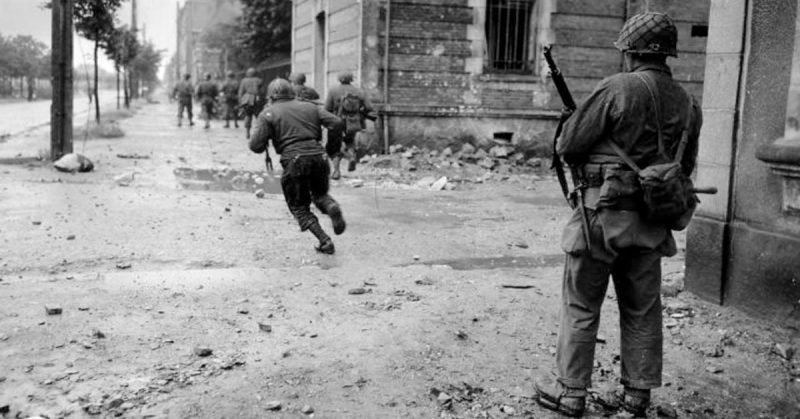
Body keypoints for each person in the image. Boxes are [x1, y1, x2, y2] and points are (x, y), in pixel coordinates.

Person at [534, 12, 702, 418]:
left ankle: (571, 394)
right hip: (651, 221)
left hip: (601, 219)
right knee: (643, 308)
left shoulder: (617, 88)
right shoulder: (688, 103)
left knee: (581, 304)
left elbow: (569, 146)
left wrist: (576, 123)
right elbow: (685, 166)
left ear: (628, 52)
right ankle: (637, 397)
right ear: (668, 56)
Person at [249, 78, 346, 254]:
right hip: (319, 157)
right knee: (320, 194)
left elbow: (255, 146)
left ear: (271, 96)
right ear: (292, 92)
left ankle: (325, 241)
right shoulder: (311, 107)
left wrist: (268, 135)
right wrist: (332, 149)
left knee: (299, 206)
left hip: (295, 161)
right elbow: (337, 123)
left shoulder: (268, 113)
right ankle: (332, 207)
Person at [323, 71, 376, 180]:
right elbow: (369, 108)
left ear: (339, 79)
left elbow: (327, 109)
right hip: (353, 122)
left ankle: (336, 171)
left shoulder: (333, 90)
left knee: (334, 147)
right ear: (351, 79)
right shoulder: (359, 91)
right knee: (349, 141)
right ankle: (351, 156)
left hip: (336, 122)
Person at [238, 67, 264, 139]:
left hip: (247, 99)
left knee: (248, 115)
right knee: (258, 116)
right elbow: (262, 92)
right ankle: (259, 132)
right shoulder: (259, 80)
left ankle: (247, 132)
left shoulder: (244, 81)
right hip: (256, 99)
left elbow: (240, 92)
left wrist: (240, 101)